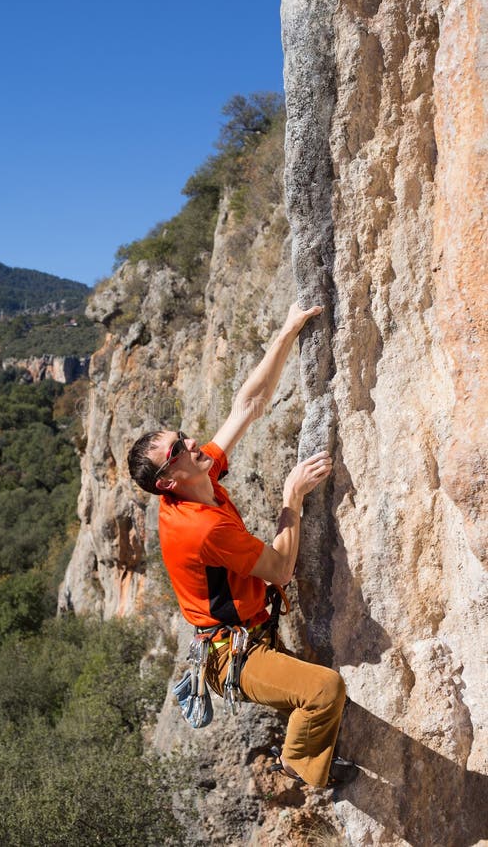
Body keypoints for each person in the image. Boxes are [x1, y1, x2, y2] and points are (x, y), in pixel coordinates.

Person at [127, 303, 355, 788]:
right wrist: (291, 498)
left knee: (318, 687)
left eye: (183, 437)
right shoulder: (200, 527)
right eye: (177, 450)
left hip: (253, 629)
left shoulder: (198, 475)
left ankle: (310, 755)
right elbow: (279, 570)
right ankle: (298, 769)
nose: (192, 444)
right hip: (236, 654)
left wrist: (287, 329)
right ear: (168, 481)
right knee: (324, 689)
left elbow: (247, 406)